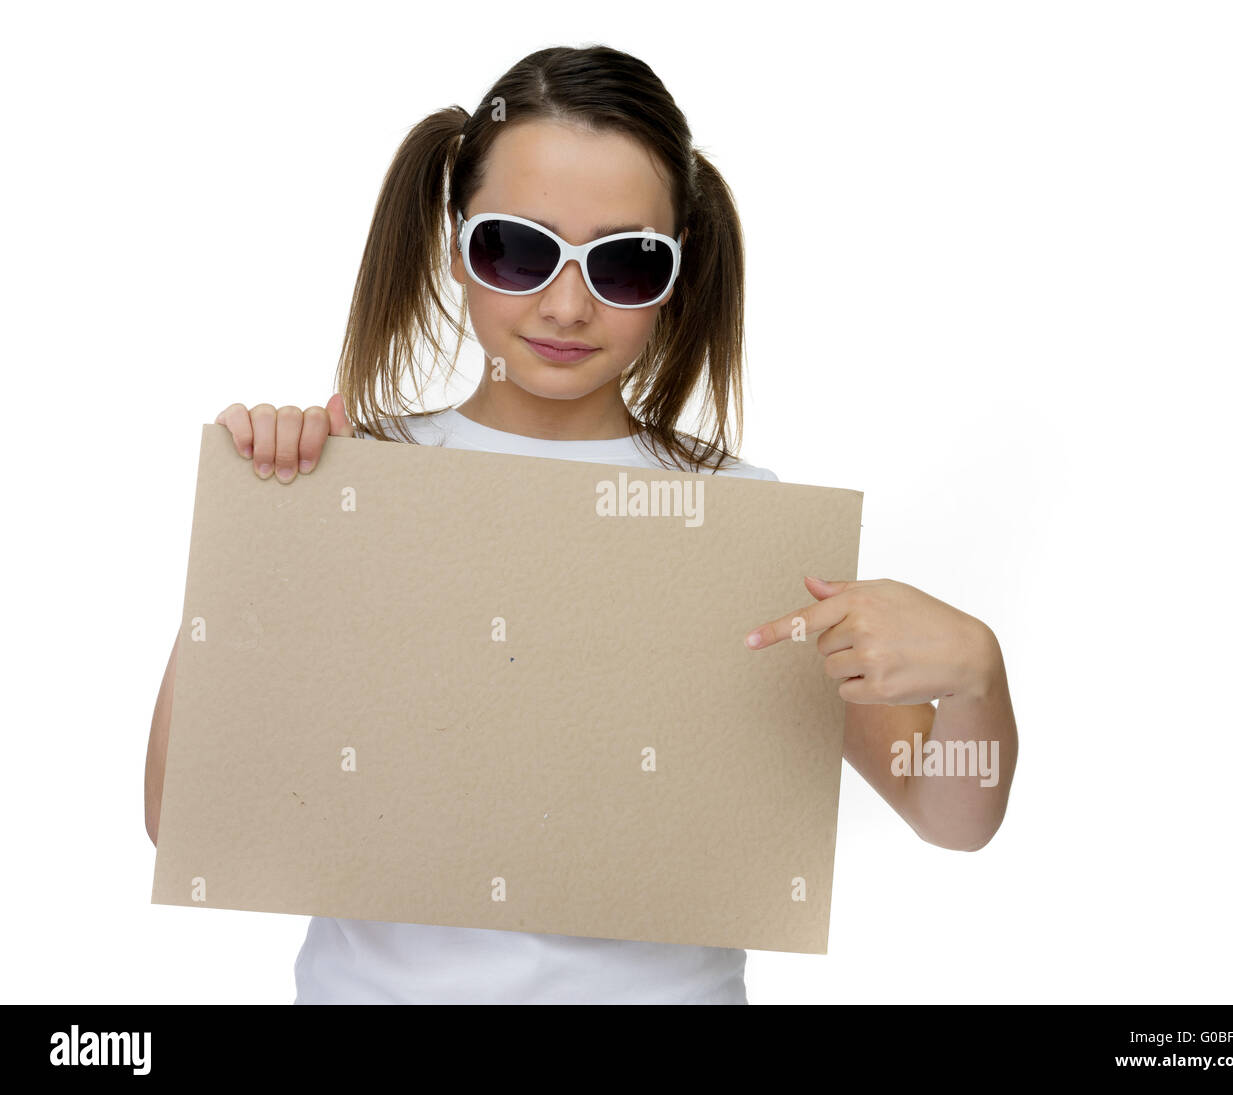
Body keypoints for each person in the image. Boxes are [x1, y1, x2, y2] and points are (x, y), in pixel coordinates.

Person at [145, 44, 1018, 1004]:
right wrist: (257, 537)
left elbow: (951, 815)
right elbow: (177, 812)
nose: (566, 304)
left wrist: (979, 671)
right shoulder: (357, 485)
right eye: (516, 248)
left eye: (625, 262)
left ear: (679, 271)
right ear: (455, 242)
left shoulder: (745, 523)